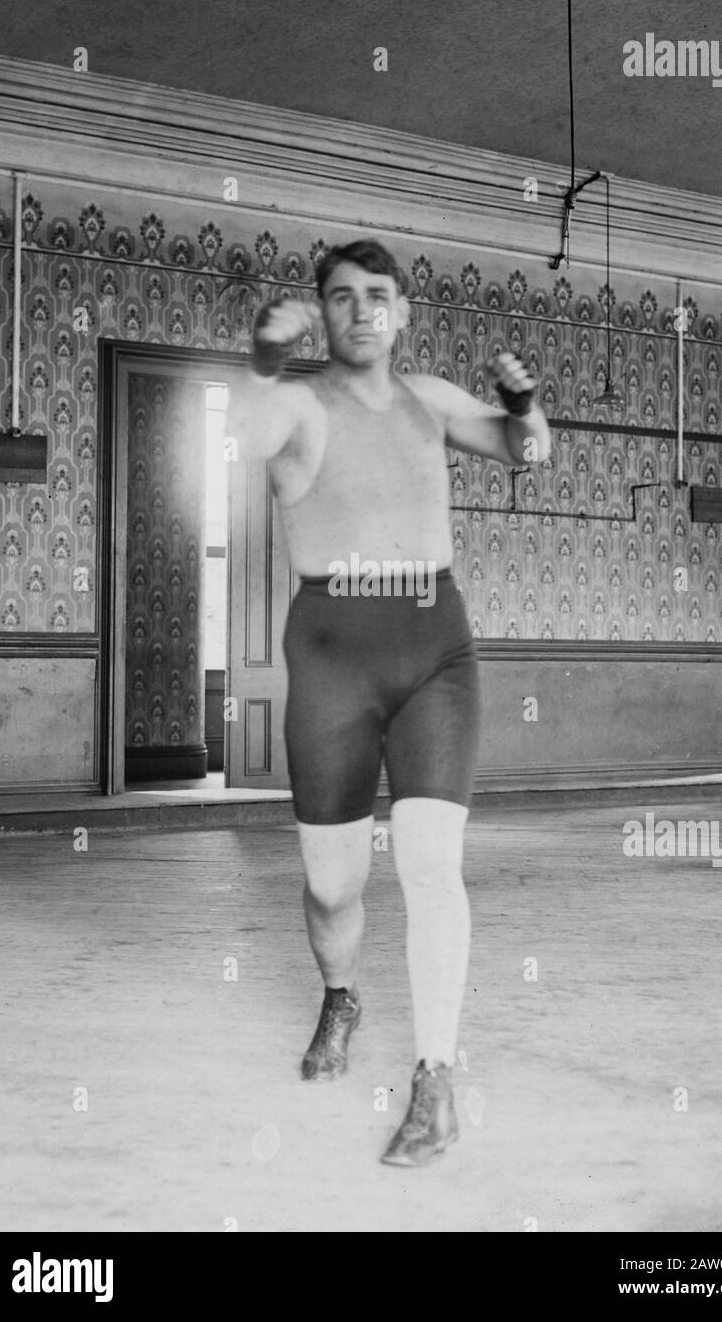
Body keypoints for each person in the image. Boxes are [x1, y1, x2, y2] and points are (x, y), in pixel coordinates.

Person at [232, 239, 551, 1166]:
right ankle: (339, 995)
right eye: (341, 297)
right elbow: (240, 437)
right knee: (334, 886)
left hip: (433, 647)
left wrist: (524, 405)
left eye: (379, 295)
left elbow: (526, 453)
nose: (362, 309)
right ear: (322, 314)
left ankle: (436, 1079)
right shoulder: (294, 398)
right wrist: (260, 356)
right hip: (332, 653)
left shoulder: (434, 399)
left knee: (428, 869)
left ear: (403, 311)